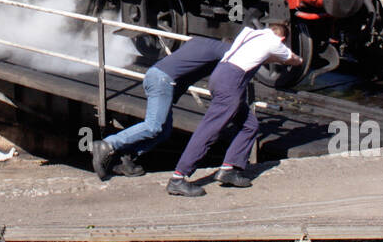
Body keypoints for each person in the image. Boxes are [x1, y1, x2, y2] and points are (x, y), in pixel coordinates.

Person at [167, 22, 305, 197]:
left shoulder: (249, 34)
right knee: (209, 130)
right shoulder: (274, 42)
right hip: (232, 82)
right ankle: (178, 178)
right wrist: (302, 60)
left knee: (250, 126)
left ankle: (229, 169)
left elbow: (264, 57)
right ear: (283, 38)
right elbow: (291, 59)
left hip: (220, 76)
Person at [91, 35, 228, 181]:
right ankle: (108, 144)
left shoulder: (203, 43)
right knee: (154, 126)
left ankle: (125, 158)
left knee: (164, 131)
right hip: (162, 80)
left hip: (160, 78)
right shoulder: (222, 49)